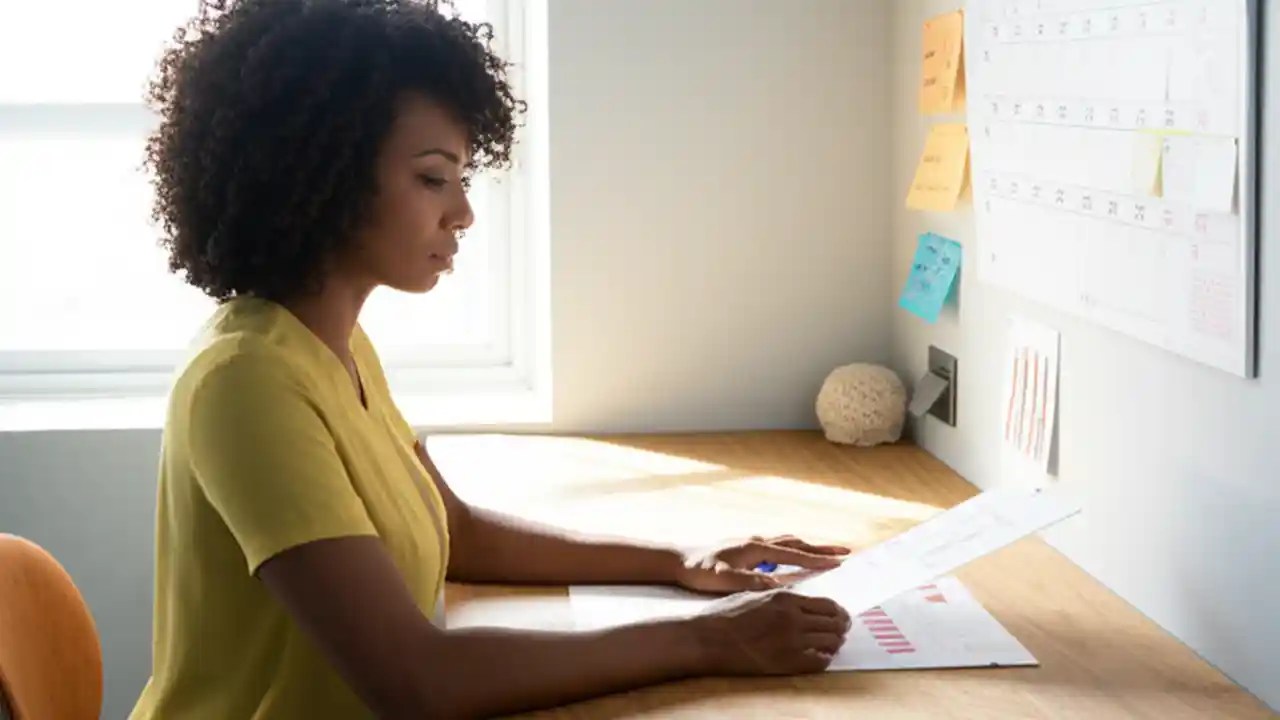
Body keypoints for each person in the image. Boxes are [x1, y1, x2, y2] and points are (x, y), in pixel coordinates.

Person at [129, 1, 853, 718]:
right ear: (320, 173)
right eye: (432, 178)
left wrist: (676, 559)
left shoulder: (331, 347)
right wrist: (708, 643)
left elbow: (459, 535)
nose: (464, 213)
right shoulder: (246, 383)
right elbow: (418, 681)